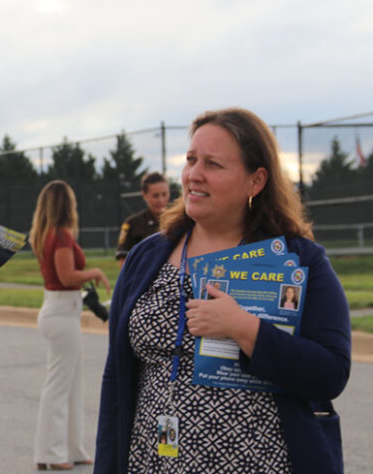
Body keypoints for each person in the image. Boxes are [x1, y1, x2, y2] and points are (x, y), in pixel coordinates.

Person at [94, 108, 350, 473]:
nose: (193, 175)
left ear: (255, 181)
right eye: (190, 160)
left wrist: (244, 328)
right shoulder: (146, 257)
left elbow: (330, 373)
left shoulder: (297, 261)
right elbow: (116, 381)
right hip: (153, 462)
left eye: (213, 164)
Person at [29, 180, 111, 471]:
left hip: (61, 310)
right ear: (66, 204)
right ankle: (50, 454)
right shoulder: (61, 236)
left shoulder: (46, 234)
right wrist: (96, 272)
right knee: (59, 385)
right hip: (61, 313)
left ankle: (72, 449)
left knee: (72, 384)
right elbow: (67, 276)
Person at [115, 172, 169, 266]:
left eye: (164, 194)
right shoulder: (132, 224)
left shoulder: (180, 220)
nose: (161, 200)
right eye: (155, 196)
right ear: (144, 195)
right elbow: (124, 262)